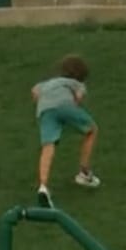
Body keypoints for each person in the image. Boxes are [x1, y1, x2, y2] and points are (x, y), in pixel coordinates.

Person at [32, 54, 100, 209]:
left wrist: (44, 102)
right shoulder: (76, 84)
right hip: (65, 104)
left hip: (44, 110)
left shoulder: (47, 83)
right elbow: (78, 98)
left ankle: (43, 187)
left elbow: (35, 91)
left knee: (48, 146)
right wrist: (70, 112)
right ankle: (84, 173)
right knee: (92, 130)